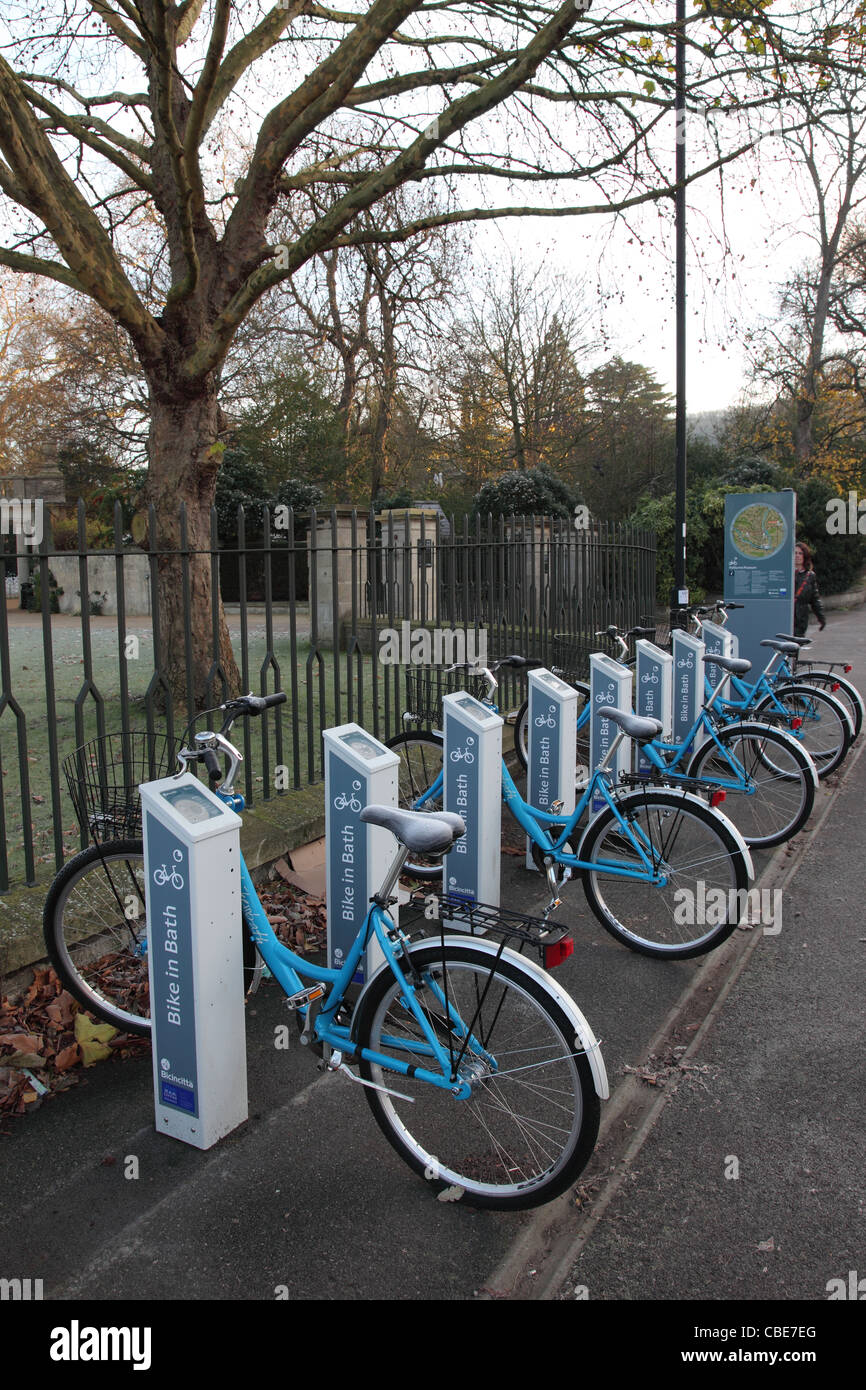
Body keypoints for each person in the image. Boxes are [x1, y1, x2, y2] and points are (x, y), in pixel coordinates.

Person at [793, 541, 826, 638]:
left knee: (794, 648)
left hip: (800, 619)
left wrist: (821, 618)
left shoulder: (810, 576)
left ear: (805, 556)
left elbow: (815, 599)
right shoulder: (784, 573)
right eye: (795, 553)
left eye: (800, 553)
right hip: (784, 616)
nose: (797, 556)